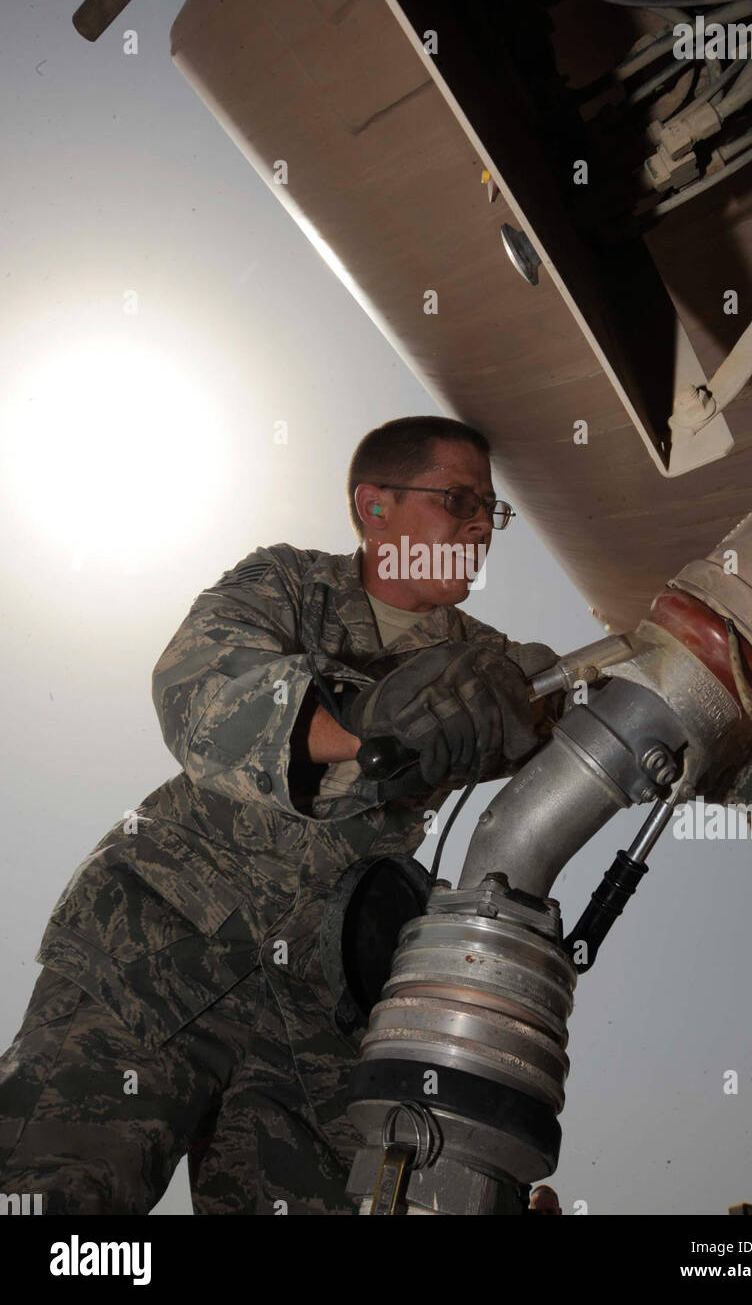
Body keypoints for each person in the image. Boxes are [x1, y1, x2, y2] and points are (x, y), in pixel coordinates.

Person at [0, 415, 563, 1216]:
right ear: (374, 507)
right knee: (48, 1203)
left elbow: (614, 736)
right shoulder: (287, 584)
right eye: (457, 499)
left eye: (490, 510)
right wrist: (370, 726)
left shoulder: (485, 667)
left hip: (315, 1015)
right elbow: (194, 690)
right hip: (158, 947)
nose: (480, 523)